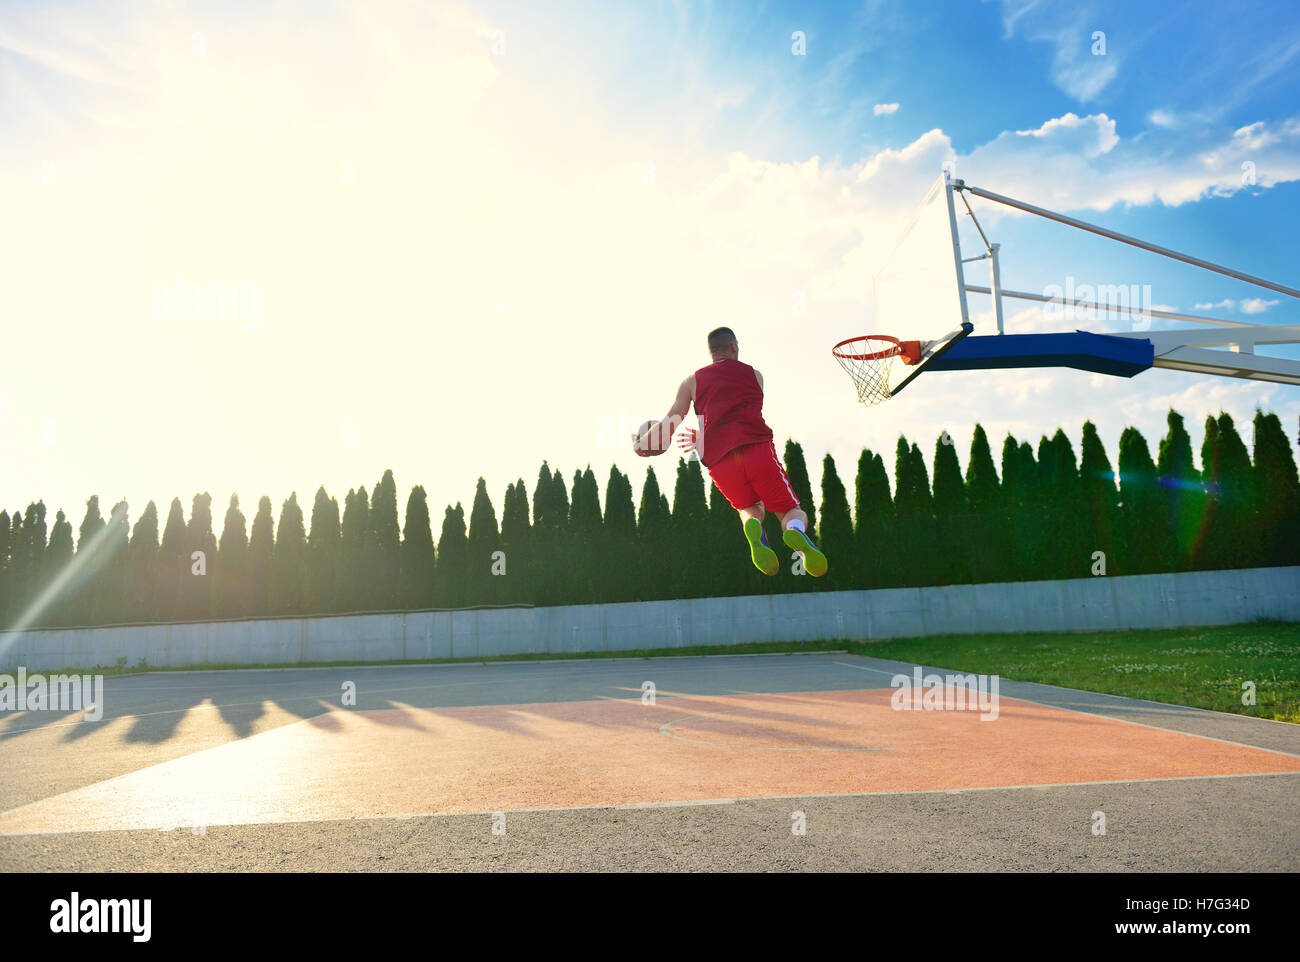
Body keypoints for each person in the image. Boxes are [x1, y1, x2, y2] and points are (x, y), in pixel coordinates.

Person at [633, 327, 827, 577]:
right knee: (789, 510)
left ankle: (753, 527)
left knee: (749, 507)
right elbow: (739, 415)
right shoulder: (755, 376)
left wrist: (641, 444)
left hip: (720, 462)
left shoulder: (691, 381)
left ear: (711, 352)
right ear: (734, 347)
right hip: (756, 450)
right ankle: (795, 531)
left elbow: (670, 422)